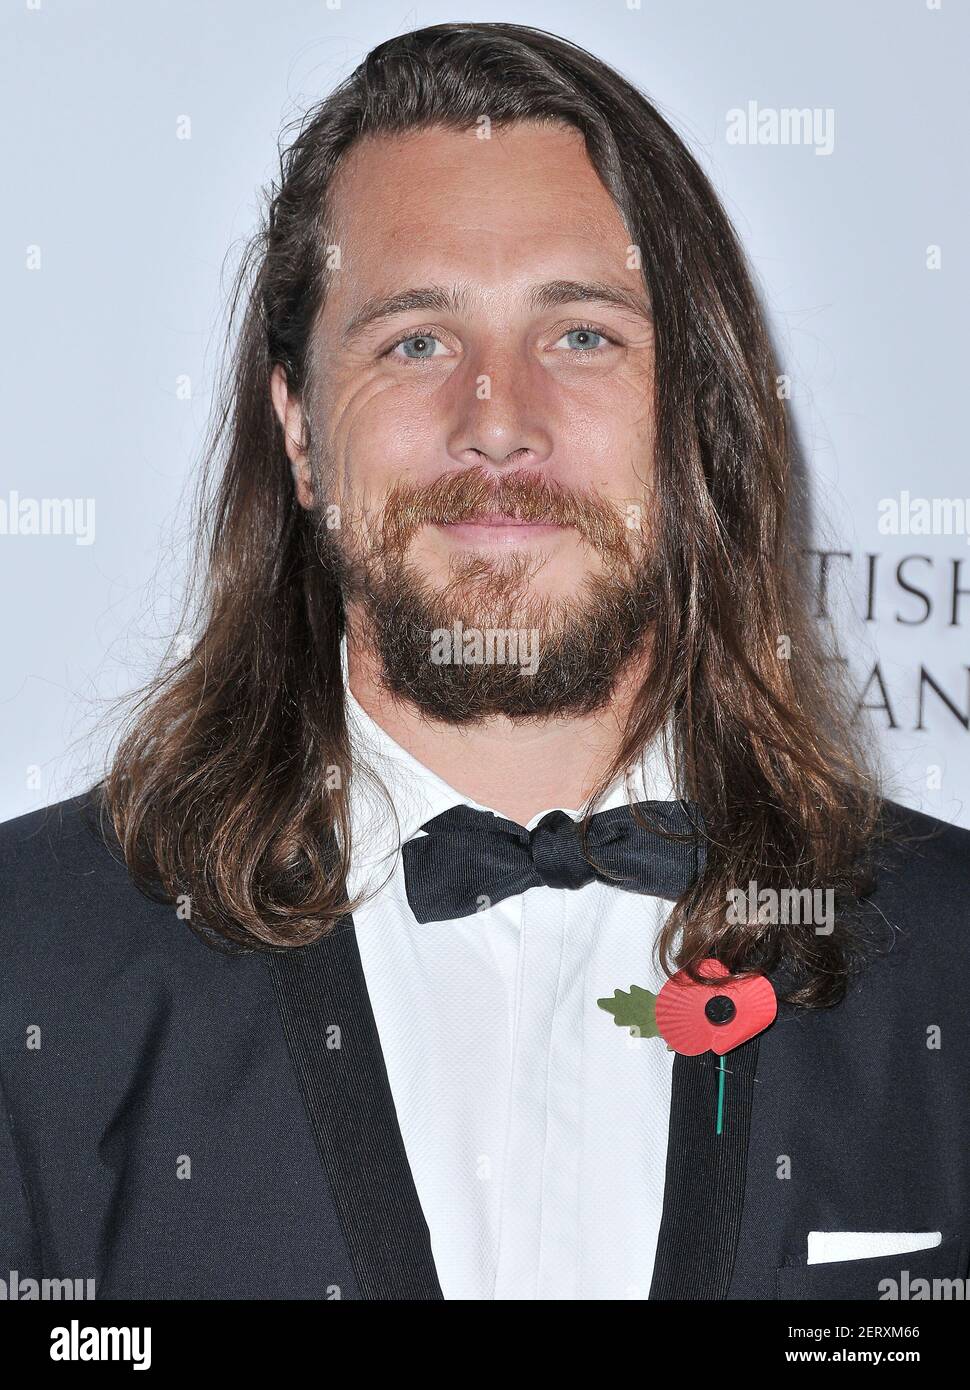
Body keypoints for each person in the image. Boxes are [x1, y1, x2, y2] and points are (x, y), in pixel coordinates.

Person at [2, 21, 968, 1302]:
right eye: (414, 341)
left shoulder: (947, 965)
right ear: (297, 428)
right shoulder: (35, 967)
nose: (497, 421)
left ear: (697, 408)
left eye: (580, 335)